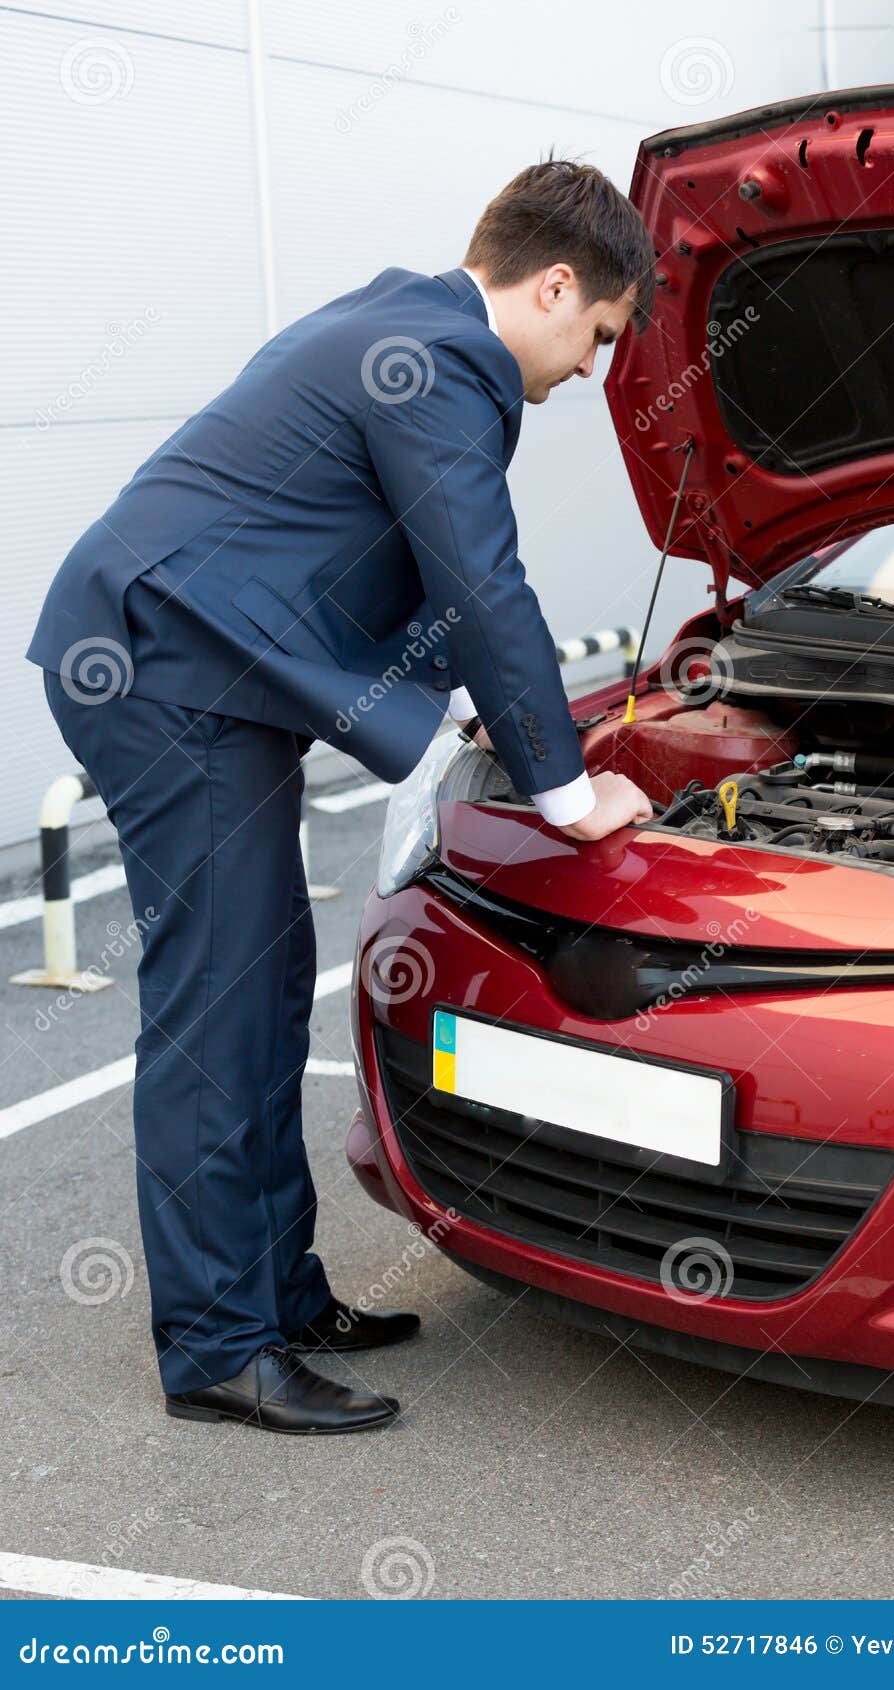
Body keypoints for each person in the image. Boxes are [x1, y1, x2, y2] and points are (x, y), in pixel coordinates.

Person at [26, 159, 655, 1435]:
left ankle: (280, 1297)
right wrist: (567, 790)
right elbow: (484, 580)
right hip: (162, 670)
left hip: (197, 663)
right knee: (221, 1008)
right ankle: (218, 1345)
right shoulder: (441, 361)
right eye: (597, 333)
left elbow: (384, 547)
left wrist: (474, 703)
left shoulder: (399, 320)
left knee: (262, 987)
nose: (591, 368)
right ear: (549, 285)